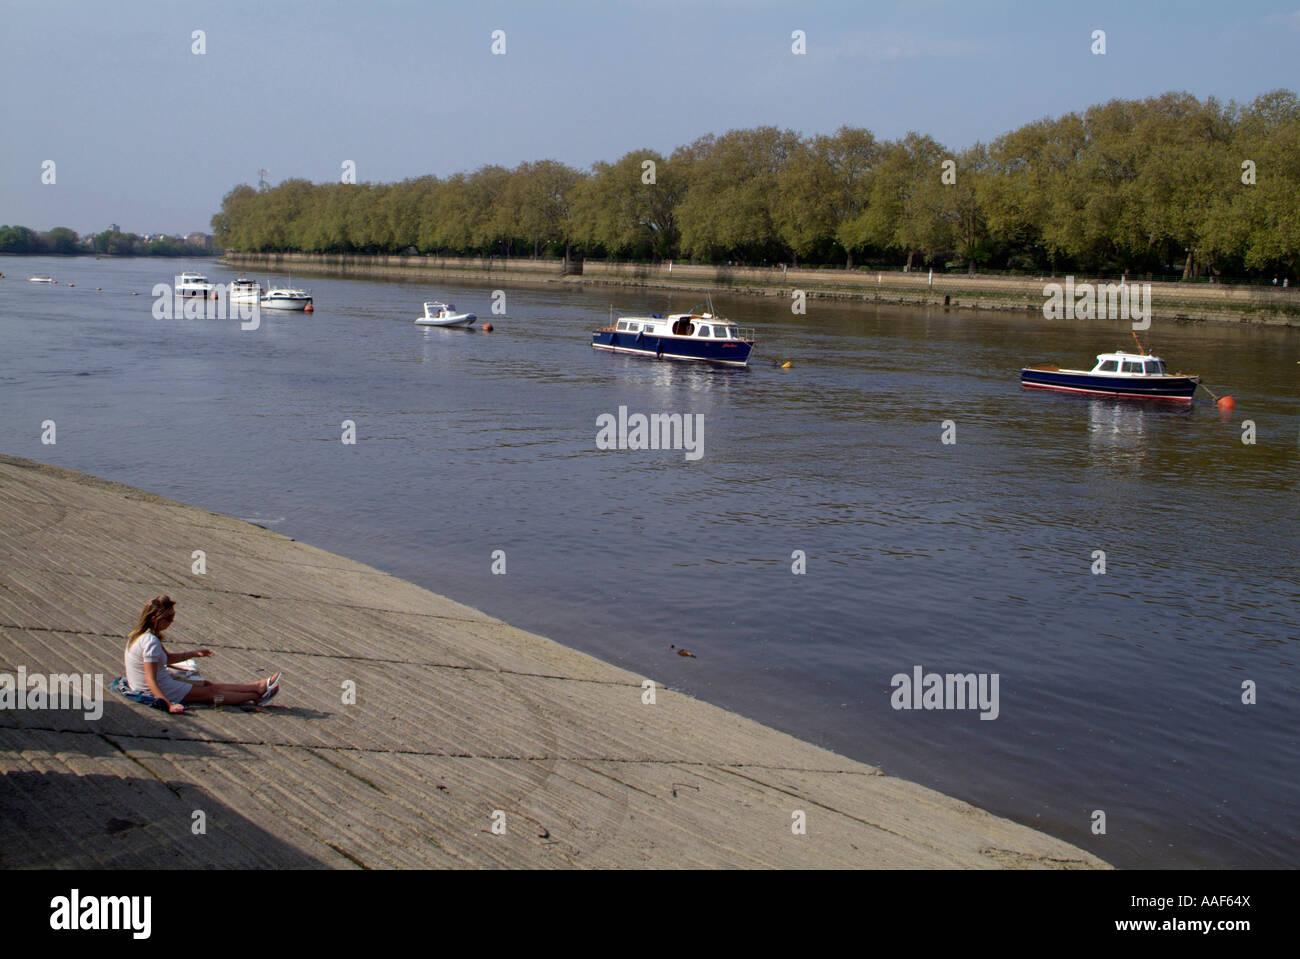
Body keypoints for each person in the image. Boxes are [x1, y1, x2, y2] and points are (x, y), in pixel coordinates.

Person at [124, 595, 280, 714]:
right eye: (168, 618)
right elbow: (150, 678)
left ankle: (258, 687)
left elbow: (167, 659)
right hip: (155, 688)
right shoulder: (151, 642)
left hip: (152, 682)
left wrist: (193, 653)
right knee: (212, 694)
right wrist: (167, 704)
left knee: (207, 685)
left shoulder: (140, 634)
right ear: (154, 619)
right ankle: (255, 695)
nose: (172, 621)